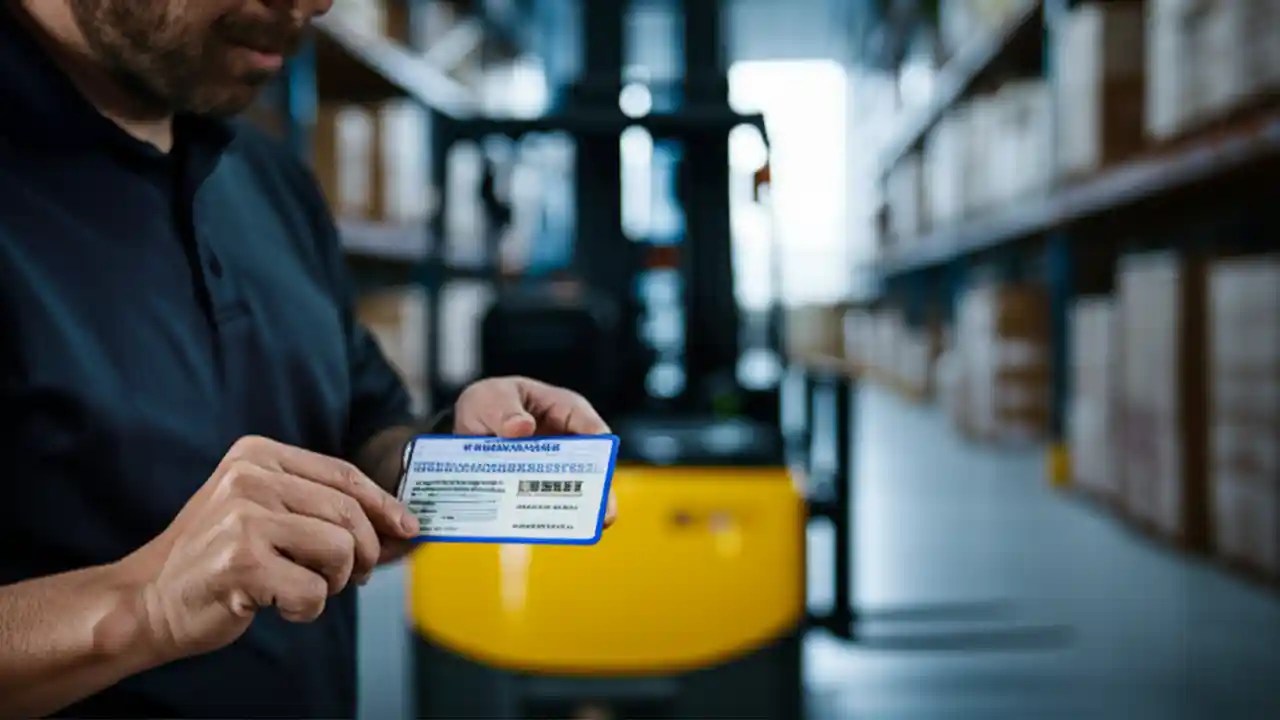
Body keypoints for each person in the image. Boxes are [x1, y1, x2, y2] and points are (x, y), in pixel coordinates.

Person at [0, 0, 616, 716]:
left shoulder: (265, 176)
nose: (317, 3)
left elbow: (365, 429)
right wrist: (143, 607)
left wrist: (461, 462)